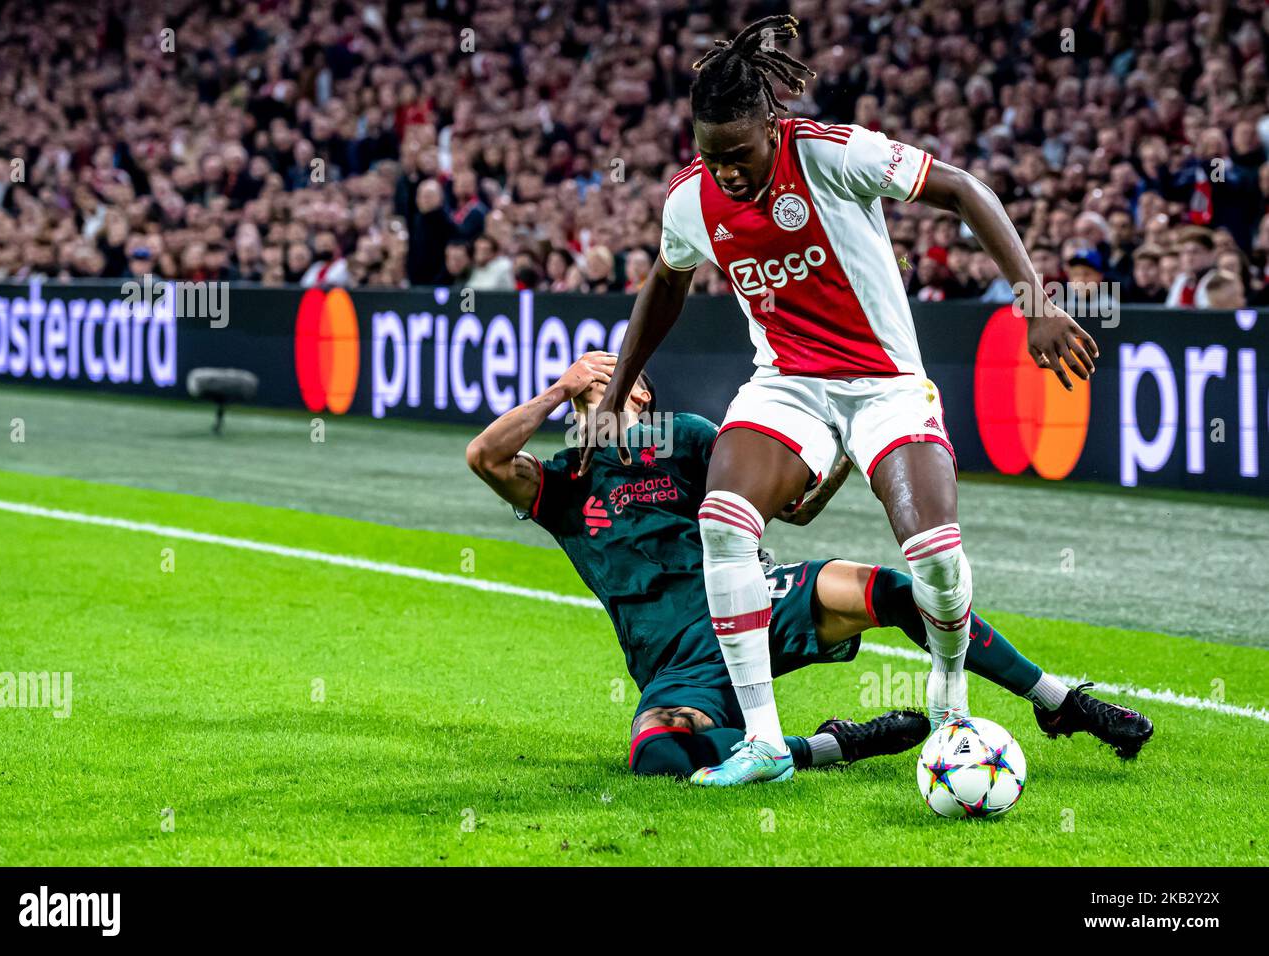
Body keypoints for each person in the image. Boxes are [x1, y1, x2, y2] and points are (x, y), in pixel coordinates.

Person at [581, 15, 1099, 785]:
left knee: (936, 559)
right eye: (710, 155)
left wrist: (1034, 299)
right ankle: (762, 743)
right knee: (724, 520)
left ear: (773, 126)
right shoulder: (690, 201)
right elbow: (665, 282)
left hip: (885, 384)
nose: (725, 172)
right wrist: (616, 391)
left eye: (739, 153)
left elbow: (961, 188)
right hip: (787, 384)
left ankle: (950, 704)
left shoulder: (830, 153)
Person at [465, 354, 1153, 781]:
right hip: (675, 663)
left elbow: (793, 511)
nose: (602, 384)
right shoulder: (564, 483)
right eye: (593, 378)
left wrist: (850, 452)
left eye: (616, 376)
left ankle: (1059, 703)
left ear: (644, 398)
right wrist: (560, 387)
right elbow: (484, 458)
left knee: (901, 591)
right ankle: (830, 747)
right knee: (659, 758)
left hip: (757, 602)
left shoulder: (691, 441)